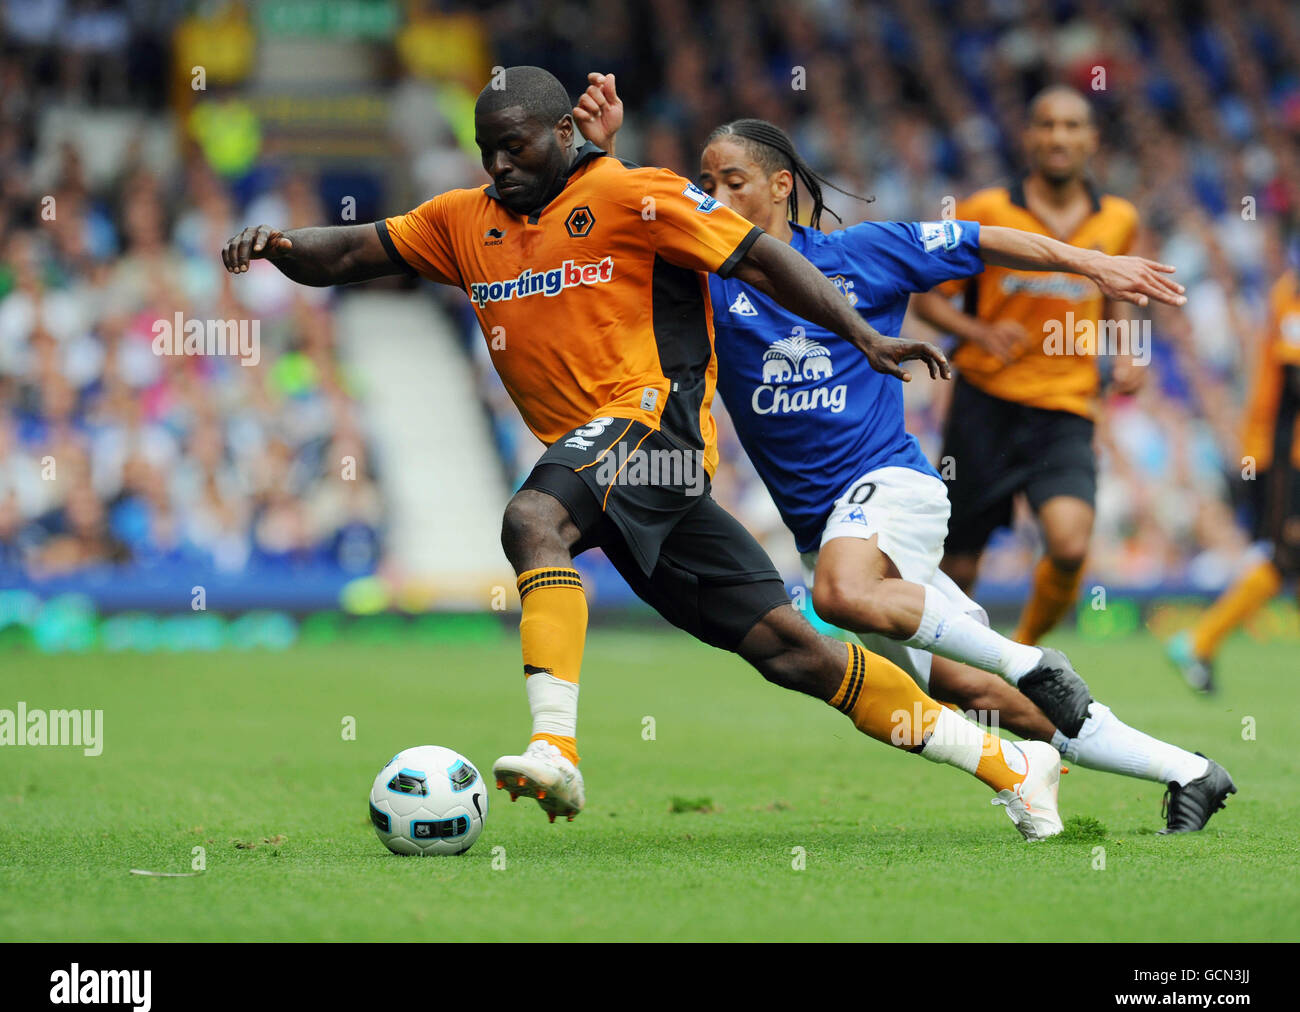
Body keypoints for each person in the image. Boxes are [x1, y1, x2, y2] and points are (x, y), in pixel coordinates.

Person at [223, 66, 1069, 842]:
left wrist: (862, 334)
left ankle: (554, 746)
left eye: (514, 149)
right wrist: (277, 246)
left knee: (532, 518)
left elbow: (763, 258)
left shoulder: (637, 195)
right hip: (608, 466)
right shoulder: (461, 221)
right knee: (790, 649)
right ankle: (1009, 764)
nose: (499, 167)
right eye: (487, 153)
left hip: (651, 427)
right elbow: (351, 250)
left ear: (563, 135)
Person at [574, 72, 1234, 833]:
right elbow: (629, 225)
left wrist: (1091, 264)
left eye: (734, 181)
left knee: (838, 597)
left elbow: (985, 241)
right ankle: (1187, 770)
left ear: (781, 186)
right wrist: (606, 151)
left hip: (892, 489)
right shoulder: (712, 282)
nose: (715, 196)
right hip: (831, 528)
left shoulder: (866, 252)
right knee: (975, 693)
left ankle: (1031, 659)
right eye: (706, 183)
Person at [910, 85, 1146, 646]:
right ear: (1028, 137)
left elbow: (1118, 295)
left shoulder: (1118, 218)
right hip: (985, 405)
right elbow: (929, 298)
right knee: (960, 567)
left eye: (1071, 125)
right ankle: (942, 675)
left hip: (1065, 407)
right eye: (1046, 125)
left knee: (1069, 545)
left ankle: (1024, 656)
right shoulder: (986, 211)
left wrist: (1131, 352)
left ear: (1092, 138)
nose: (1058, 136)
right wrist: (979, 331)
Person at [1168, 262, 1300, 694]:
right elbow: (1291, 388)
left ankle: (1200, 640)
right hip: (1282, 454)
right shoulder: (1292, 293)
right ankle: (1199, 640)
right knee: (1285, 552)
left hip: (1281, 451)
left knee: (1285, 559)